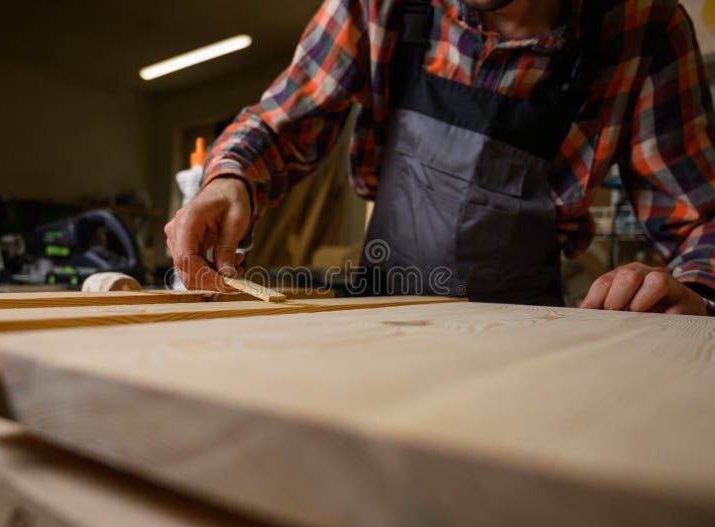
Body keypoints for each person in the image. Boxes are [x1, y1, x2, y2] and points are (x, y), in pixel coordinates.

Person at [165, 0, 715, 316]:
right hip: (376, 319)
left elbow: (702, 222)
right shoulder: (378, 6)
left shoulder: (644, 28)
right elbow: (277, 123)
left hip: (532, 340)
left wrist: (696, 296)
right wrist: (229, 178)